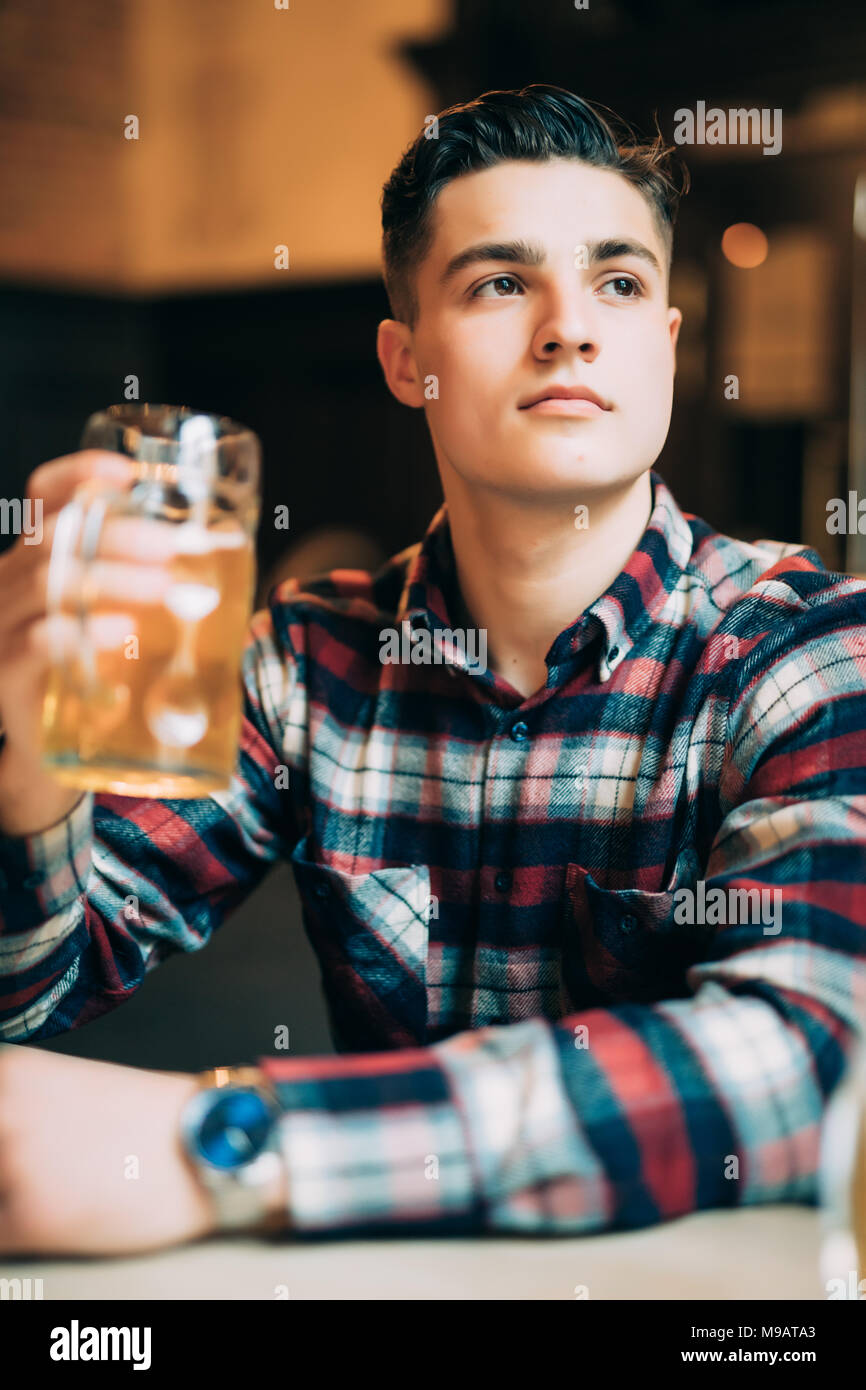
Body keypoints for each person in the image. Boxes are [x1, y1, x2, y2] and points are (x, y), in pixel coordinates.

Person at [0, 83, 864, 1257]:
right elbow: (33, 992)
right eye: (500, 282)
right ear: (406, 361)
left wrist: (228, 1139)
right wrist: (28, 778)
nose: (568, 326)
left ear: (665, 347)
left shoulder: (803, 648)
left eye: (616, 282)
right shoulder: (307, 657)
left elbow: (811, 1060)